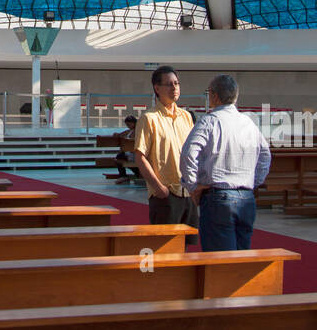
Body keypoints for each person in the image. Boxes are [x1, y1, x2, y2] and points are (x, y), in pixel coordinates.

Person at [179, 74, 271, 251]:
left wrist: (192, 186)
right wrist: (254, 181)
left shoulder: (209, 121)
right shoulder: (248, 123)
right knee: (240, 257)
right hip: (246, 196)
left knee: (219, 260)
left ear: (214, 96)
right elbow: (265, 155)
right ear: (235, 96)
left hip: (218, 197)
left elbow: (188, 153)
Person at [132, 67, 198, 228]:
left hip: (189, 192)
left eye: (176, 83)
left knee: (187, 248)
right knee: (164, 249)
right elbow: (140, 157)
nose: (174, 88)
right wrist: (158, 187)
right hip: (165, 195)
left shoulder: (186, 116)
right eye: (169, 84)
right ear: (157, 88)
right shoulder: (149, 119)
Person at [103, 115, 141, 182]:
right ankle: (133, 174)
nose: (128, 126)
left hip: (135, 153)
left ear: (134, 123)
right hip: (129, 153)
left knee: (119, 158)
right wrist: (116, 134)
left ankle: (124, 175)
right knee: (119, 158)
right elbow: (119, 134)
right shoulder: (129, 131)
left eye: (129, 124)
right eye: (127, 124)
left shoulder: (138, 131)